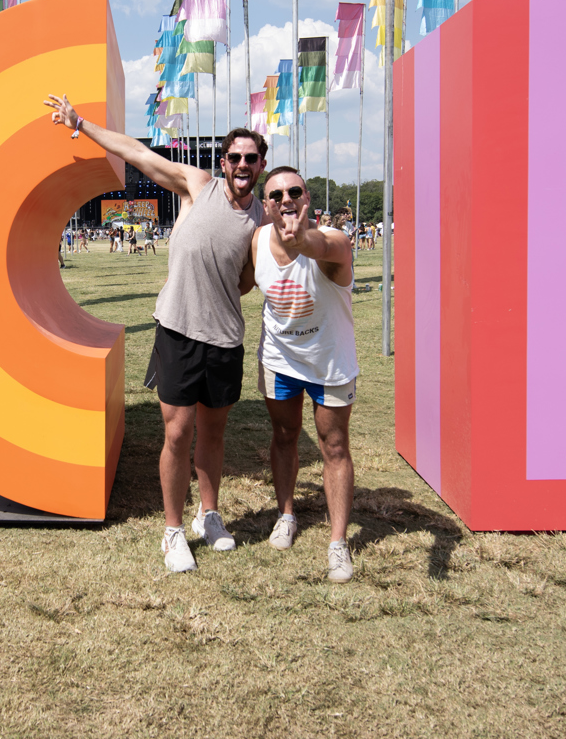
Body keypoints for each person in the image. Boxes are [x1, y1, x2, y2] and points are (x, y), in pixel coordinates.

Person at [44, 93, 265, 574]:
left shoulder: (261, 221)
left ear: (260, 164)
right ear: (222, 162)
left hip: (225, 338)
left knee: (213, 433)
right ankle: (172, 531)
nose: (242, 165)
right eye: (235, 157)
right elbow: (135, 152)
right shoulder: (196, 184)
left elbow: (248, 280)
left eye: (251, 158)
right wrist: (81, 123)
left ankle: (210, 516)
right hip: (178, 331)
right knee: (178, 432)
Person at [254, 167, 359, 582]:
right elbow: (241, 280)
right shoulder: (258, 240)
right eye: (276, 194)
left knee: (333, 446)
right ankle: (286, 515)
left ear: (307, 198)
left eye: (293, 192)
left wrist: (300, 238)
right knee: (283, 437)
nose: (285, 199)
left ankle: (338, 542)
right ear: (266, 205)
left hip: (329, 361)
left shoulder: (333, 242)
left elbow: (315, 244)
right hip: (279, 358)